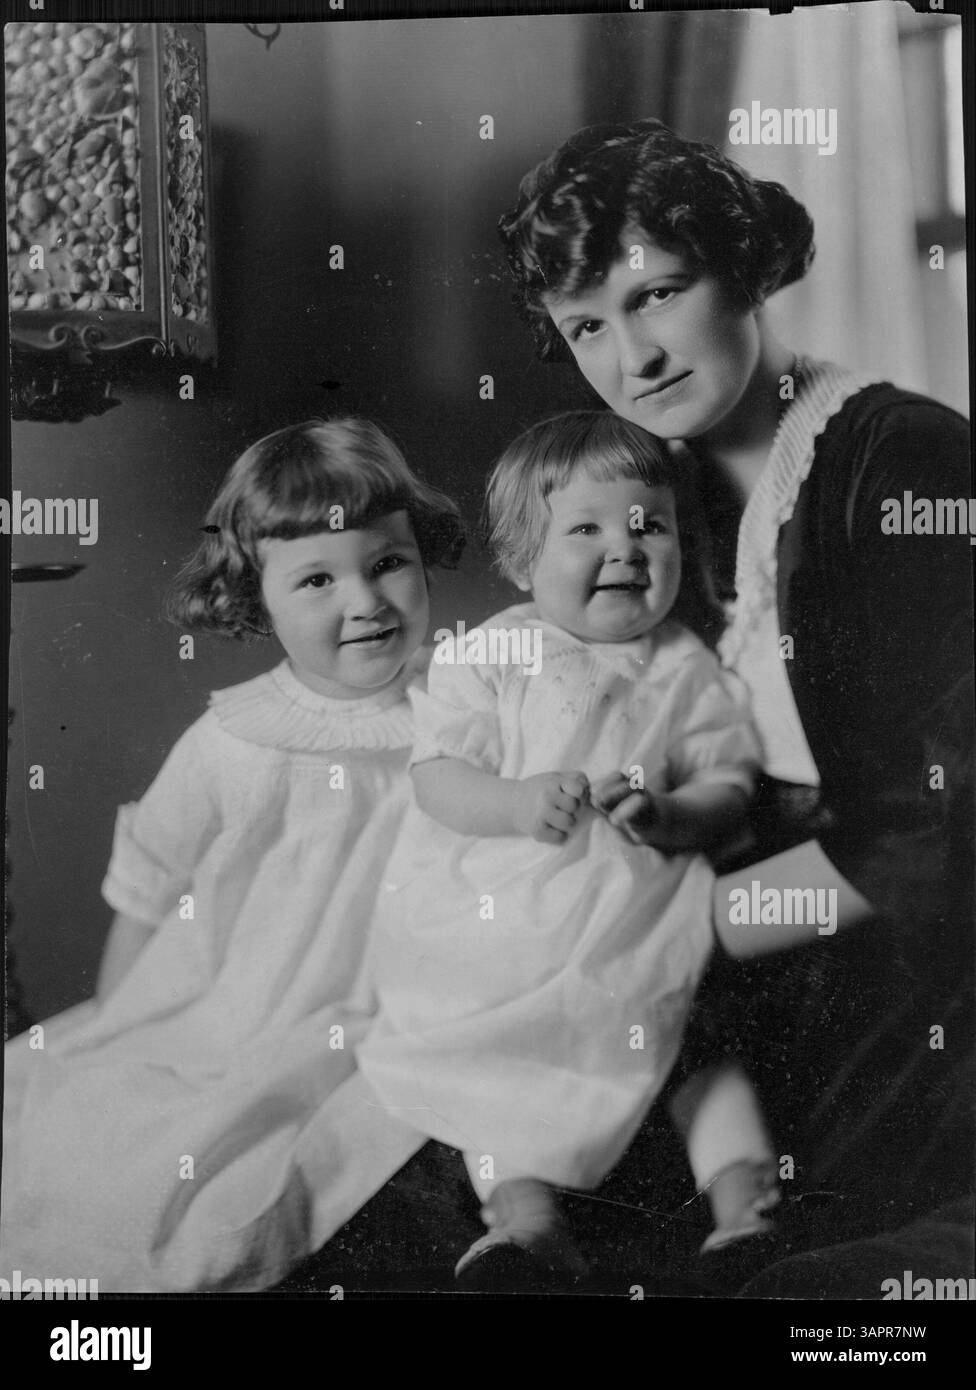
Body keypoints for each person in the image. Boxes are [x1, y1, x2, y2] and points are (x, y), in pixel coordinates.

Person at [495, 118, 973, 1271]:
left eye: (659, 292)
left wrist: (688, 929)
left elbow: (935, 828)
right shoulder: (654, 500)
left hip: (900, 941)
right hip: (724, 913)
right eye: (588, 327)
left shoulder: (902, 460)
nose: (635, 359)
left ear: (745, 265)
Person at [0, 417, 462, 1292]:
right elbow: (150, 883)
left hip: (387, 1003)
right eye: (318, 579)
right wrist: (119, 1022)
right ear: (257, 600)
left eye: (388, 563)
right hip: (235, 1000)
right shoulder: (235, 739)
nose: (364, 601)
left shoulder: (462, 709)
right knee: (136, 1148)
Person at [358, 409, 779, 1286]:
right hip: (507, 902)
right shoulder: (493, 652)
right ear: (521, 559)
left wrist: (668, 813)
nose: (625, 550)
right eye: (585, 529)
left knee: (692, 1048)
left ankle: (746, 1208)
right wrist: (514, 803)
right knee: (486, 1063)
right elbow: (438, 775)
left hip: (637, 906)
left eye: (648, 526)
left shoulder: (681, 663)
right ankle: (525, 1219)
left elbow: (729, 784)